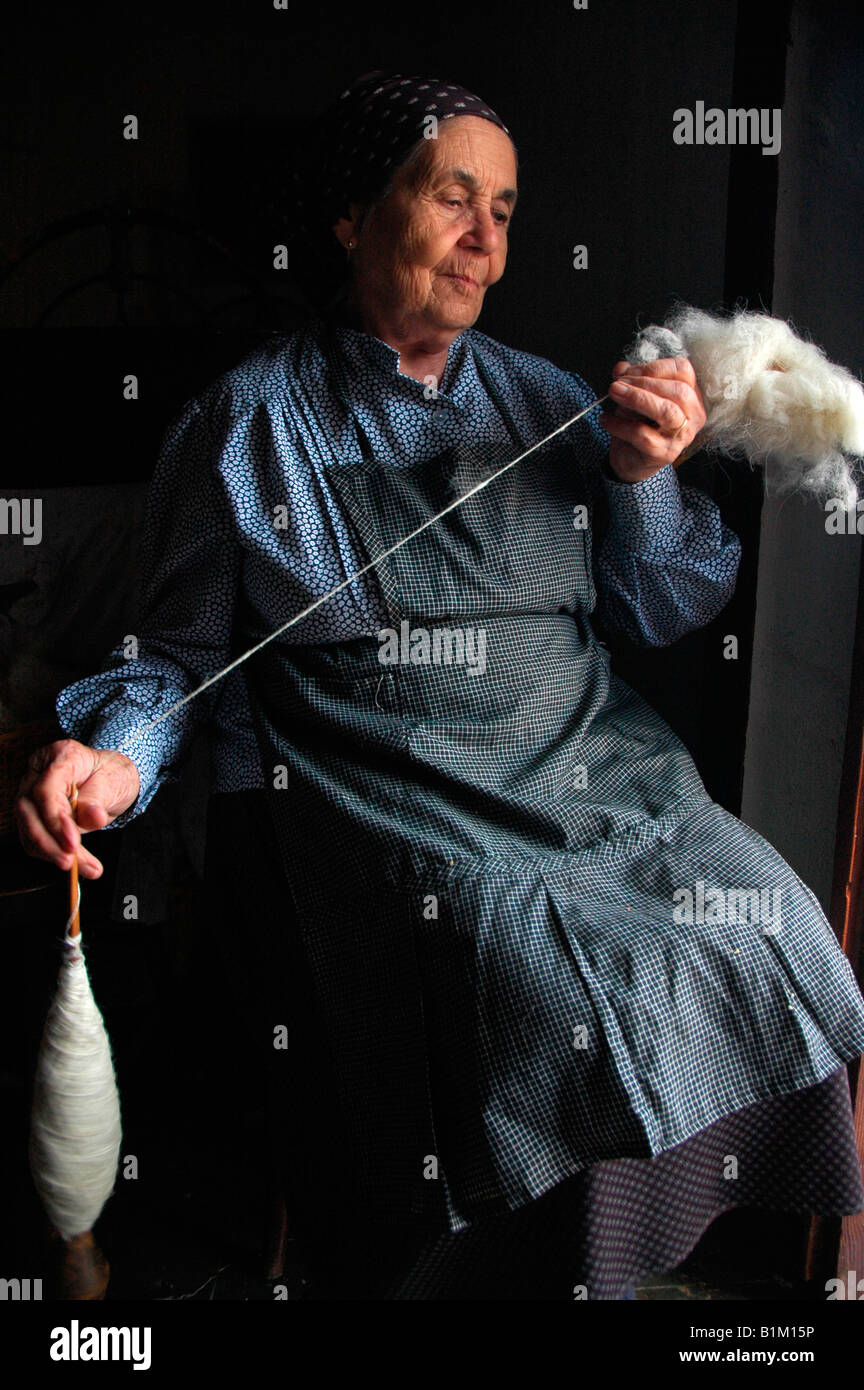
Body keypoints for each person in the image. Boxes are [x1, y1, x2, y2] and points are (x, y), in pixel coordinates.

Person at [16, 72, 864, 1300]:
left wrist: (641, 477)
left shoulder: (552, 402)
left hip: (599, 774)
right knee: (532, 972)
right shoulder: (247, 427)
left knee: (763, 913)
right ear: (355, 217)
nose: (485, 240)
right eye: (452, 196)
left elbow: (664, 606)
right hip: (400, 796)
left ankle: (617, 1261)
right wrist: (115, 758)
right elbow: (178, 661)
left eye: (507, 210)